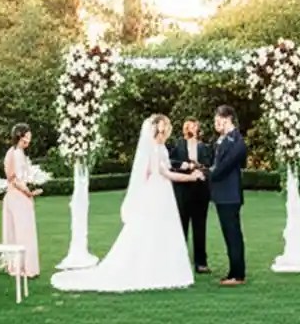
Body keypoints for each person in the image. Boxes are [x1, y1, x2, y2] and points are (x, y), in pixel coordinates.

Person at [51, 114, 204, 292]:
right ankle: (153, 269)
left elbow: (163, 169)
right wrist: (191, 177)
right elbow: (165, 173)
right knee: (152, 229)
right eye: (161, 128)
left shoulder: (160, 146)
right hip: (157, 193)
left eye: (164, 128)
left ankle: (159, 267)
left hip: (162, 192)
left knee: (162, 229)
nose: (164, 131)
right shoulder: (154, 148)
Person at [168, 118, 214, 273]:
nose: (193, 128)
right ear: (185, 128)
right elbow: (170, 162)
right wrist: (185, 166)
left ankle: (201, 262)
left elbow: (209, 164)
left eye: (195, 126)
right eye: (190, 126)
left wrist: (200, 169)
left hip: (200, 191)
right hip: (182, 190)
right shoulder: (178, 144)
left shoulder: (204, 147)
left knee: (200, 226)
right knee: (182, 225)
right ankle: (178, 261)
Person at [210, 104, 248, 286]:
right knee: (229, 234)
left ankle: (238, 274)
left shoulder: (237, 141)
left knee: (233, 234)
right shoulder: (223, 140)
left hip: (230, 195)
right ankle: (233, 271)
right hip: (223, 195)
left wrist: (206, 174)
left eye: (218, 121)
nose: (215, 124)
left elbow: (223, 168)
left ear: (227, 119)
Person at [2, 123, 41, 278]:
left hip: (20, 196)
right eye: (28, 135)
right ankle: (22, 267)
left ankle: (23, 265)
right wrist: (28, 191)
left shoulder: (20, 154)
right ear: (21, 136)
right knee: (21, 231)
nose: (29, 139)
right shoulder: (14, 153)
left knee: (23, 230)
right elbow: (14, 178)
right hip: (17, 196)